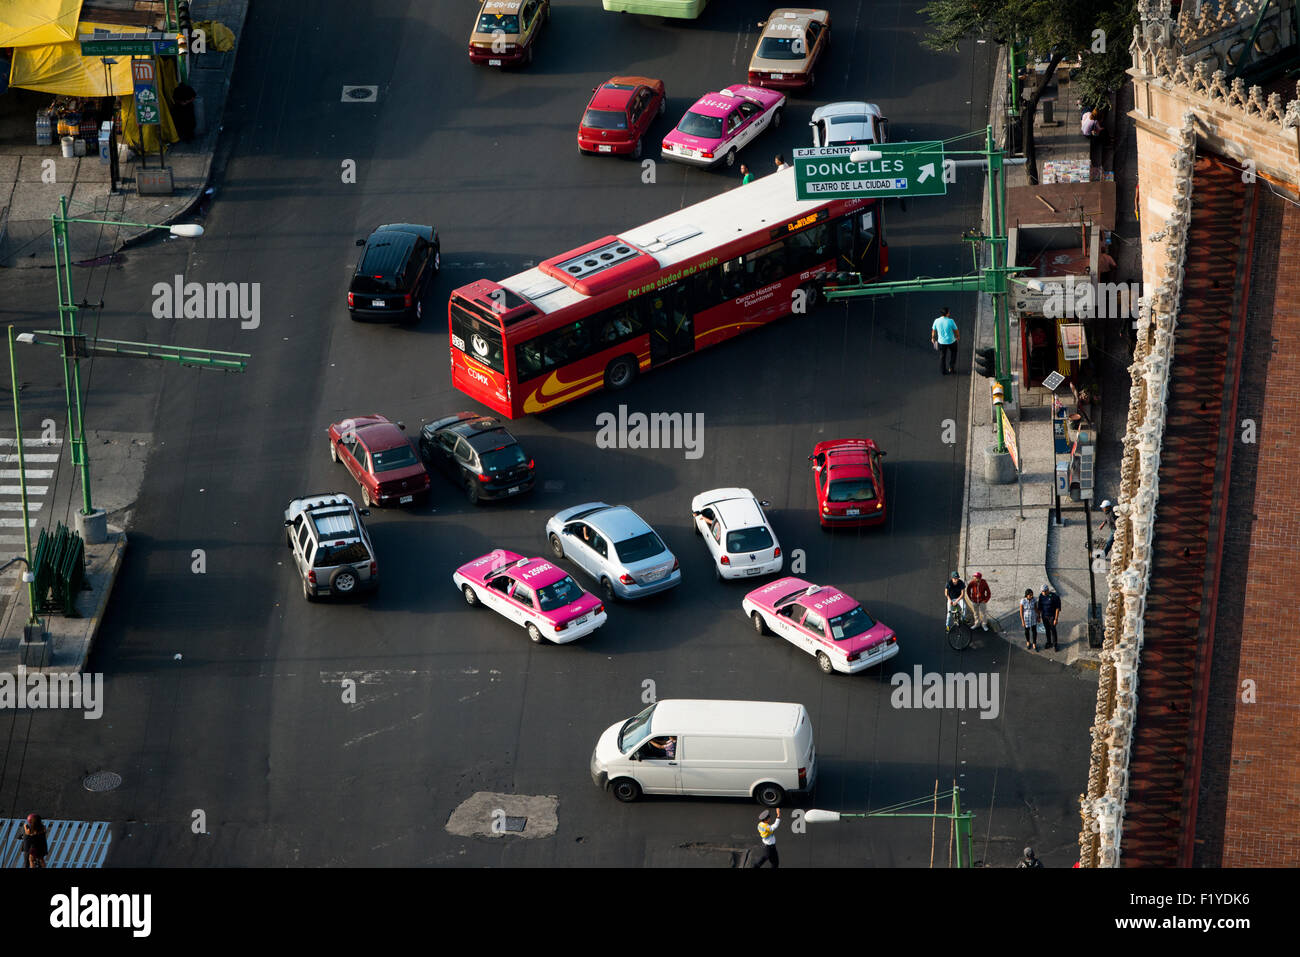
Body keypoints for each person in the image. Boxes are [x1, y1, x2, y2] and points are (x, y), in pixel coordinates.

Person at [931, 307, 959, 375]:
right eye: (949, 312)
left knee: (943, 356)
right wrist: (958, 336)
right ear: (947, 314)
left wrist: (933, 338)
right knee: (954, 352)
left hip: (941, 342)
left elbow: (933, 330)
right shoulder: (951, 321)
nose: (949, 313)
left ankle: (943, 371)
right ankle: (951, 368)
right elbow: (956, 330)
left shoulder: (936, 321)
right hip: (951, 341)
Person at [1038, 585, 1061, 650]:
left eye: (1045, 591)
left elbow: (1057, 608)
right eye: (1042, 591)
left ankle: (1055, 644)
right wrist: (1039, 616)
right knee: (1047, 630)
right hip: (1044, 616)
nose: (1044, 593)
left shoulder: (1054, 596)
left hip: (1052, 616)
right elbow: (1040, 607)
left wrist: (1056, 619)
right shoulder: (1041, 596)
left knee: (1053, 630)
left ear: (1048, 590)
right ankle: (1049, 642)